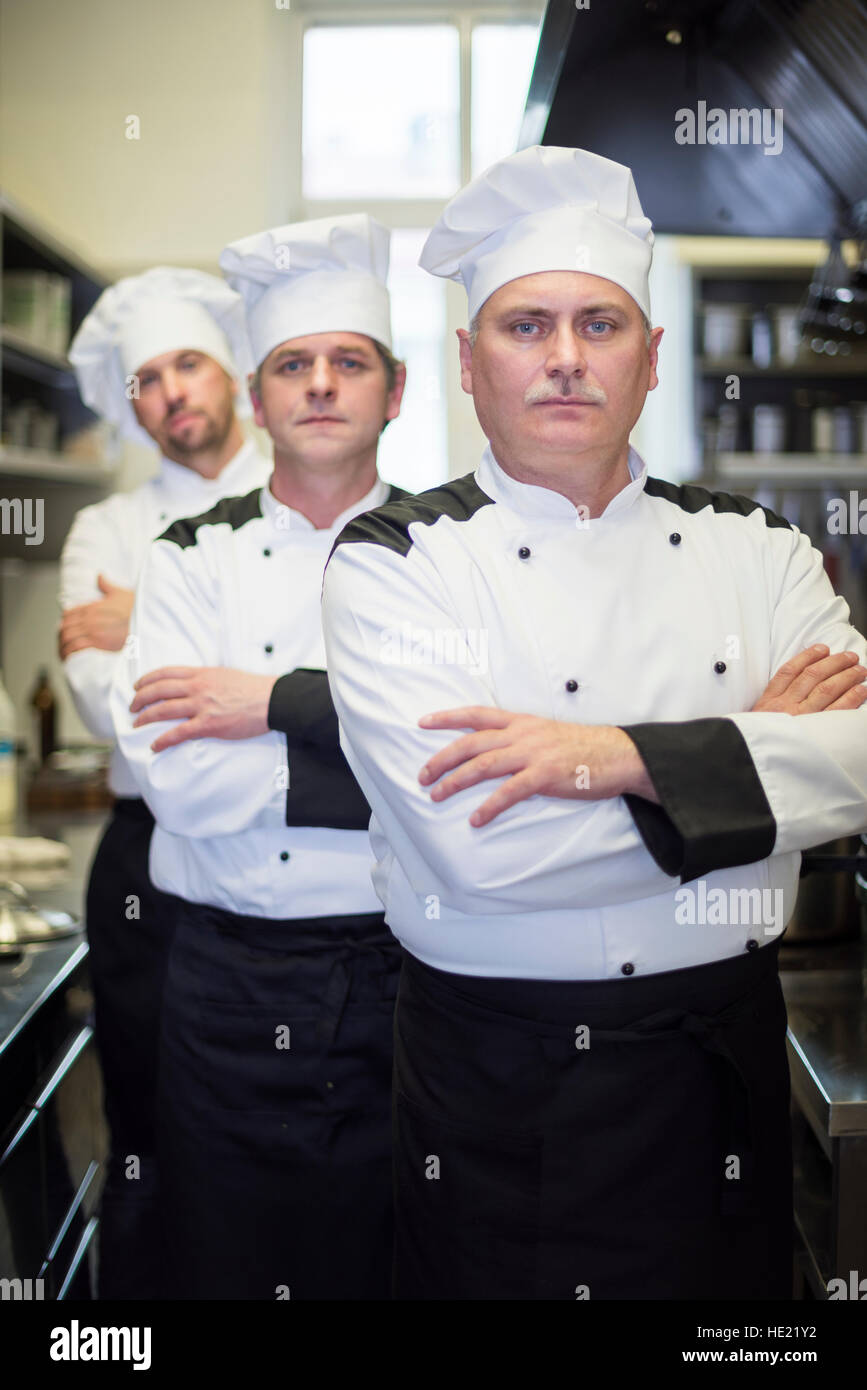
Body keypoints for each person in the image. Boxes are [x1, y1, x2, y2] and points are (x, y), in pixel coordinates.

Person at [320, 146, 867, 1300]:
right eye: (526, 327)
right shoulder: (396, 560)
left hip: (719, 1062)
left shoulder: (756, 546)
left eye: (600, 324)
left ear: (653, 356)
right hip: (496, 1078)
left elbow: (859, 763)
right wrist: (752, 757)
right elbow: (478, 849)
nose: (566, 358)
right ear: (468, 363)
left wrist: (609, 758)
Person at [110, 214, 409, 1300]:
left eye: (348, 362)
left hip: (404, 977)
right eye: (294, 363)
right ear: (259, 388)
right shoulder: (192, 555)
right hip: (224, 981)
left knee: (385, 1261)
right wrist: (373, 747)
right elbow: (173, 774)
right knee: (222, 1261)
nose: (321, 384)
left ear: (398, 388)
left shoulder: (448, 548)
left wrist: (269, 705)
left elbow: (457, 766)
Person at [61, 268, 269, 1299]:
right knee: (148, 1131)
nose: (174, 390)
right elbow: (127, 720)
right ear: (131, 402)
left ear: (227, 369)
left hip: (313, 862)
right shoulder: (104, 532)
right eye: (148, 377)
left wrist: (146, 620)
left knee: (291, 1133)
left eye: (189, 362)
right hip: (147, 872)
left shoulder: (307, 491)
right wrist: (276, 694)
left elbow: (360, 691)